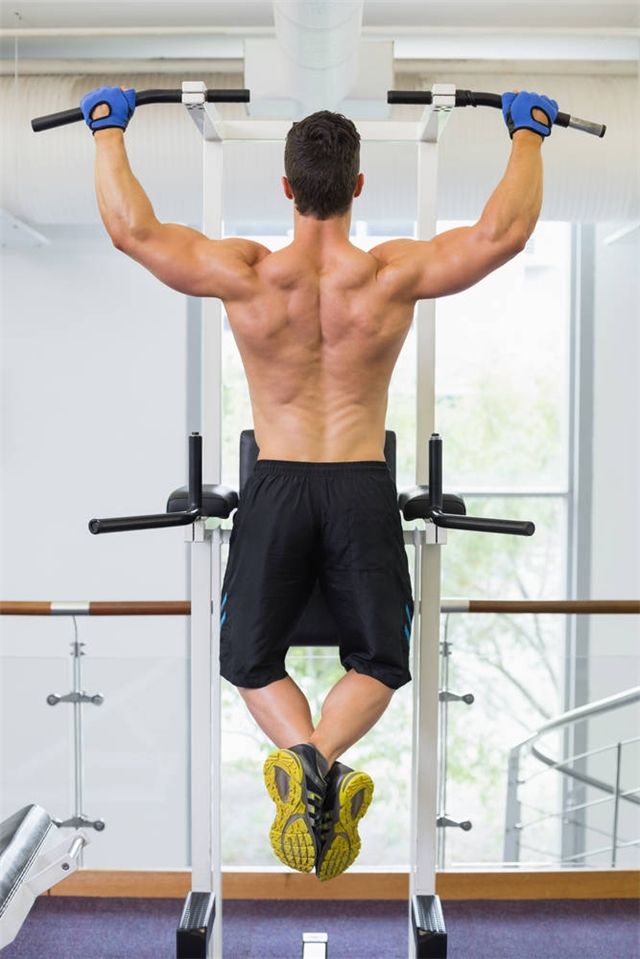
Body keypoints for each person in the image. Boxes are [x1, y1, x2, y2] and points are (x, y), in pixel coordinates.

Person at [81, 85, 558, 881]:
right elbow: (502, 234)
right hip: (361, 487)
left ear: (286, 187)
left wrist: (107, 132)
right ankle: (319, 760)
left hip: (276, 486)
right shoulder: (390, 274)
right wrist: (527, 136)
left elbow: (132, 231)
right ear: (358, 186)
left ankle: (303, 762)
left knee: (247, 659)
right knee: (381, 660)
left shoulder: (248, 273)